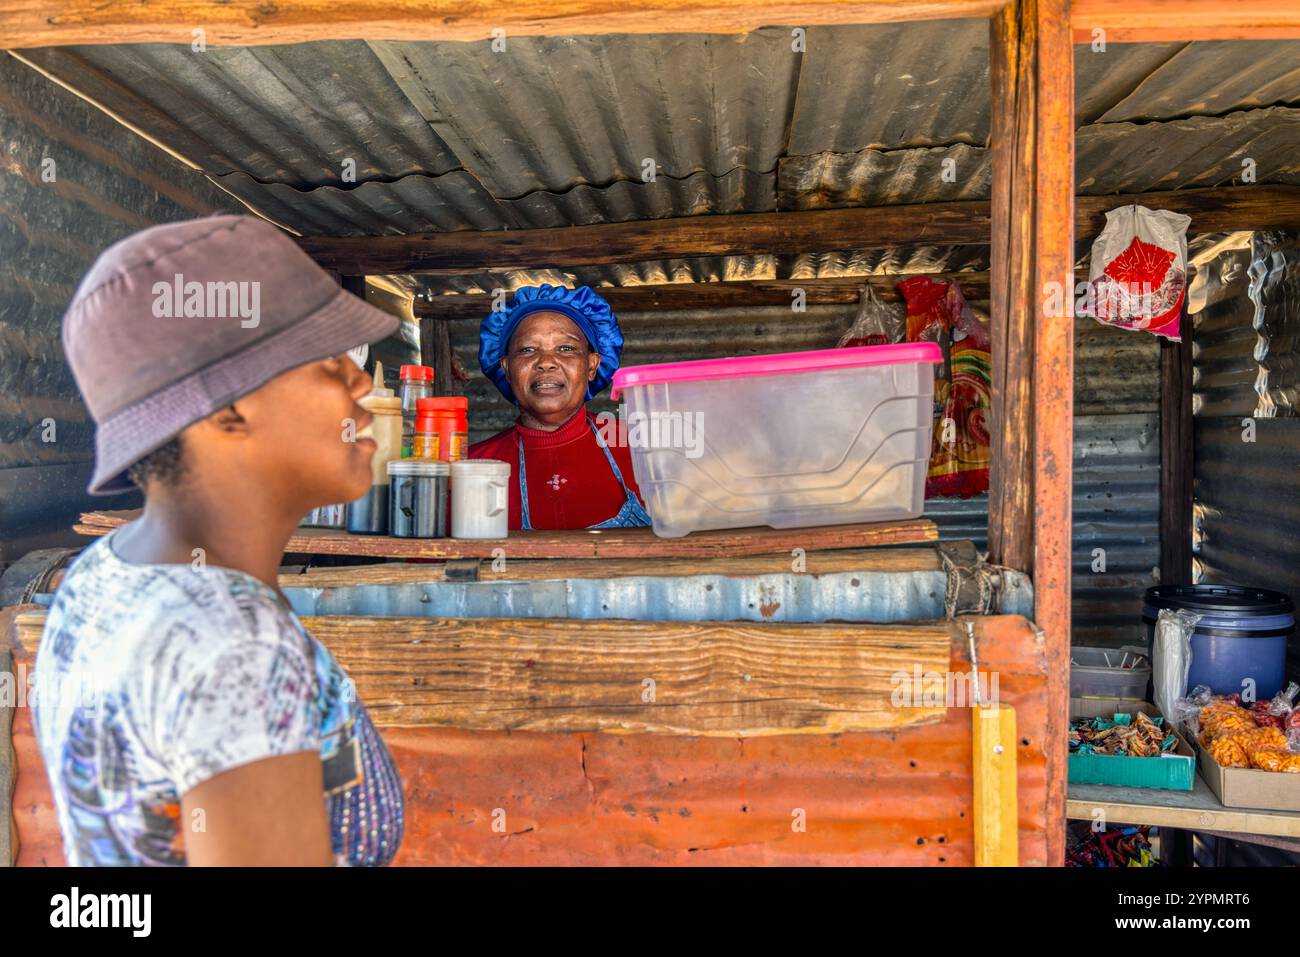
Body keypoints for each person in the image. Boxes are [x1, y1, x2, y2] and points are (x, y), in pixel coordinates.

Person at [34, 216, 405, 866]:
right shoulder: (238, 645)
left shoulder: (101, 575)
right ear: (225, 409)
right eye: (328, 360)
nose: (363, 382)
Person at [468, 284, 652, 530]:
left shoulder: (645, 449)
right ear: (506, 368)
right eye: (527, 349)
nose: (546, 363)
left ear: (591, 365)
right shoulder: (472, 468)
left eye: (566, 348)